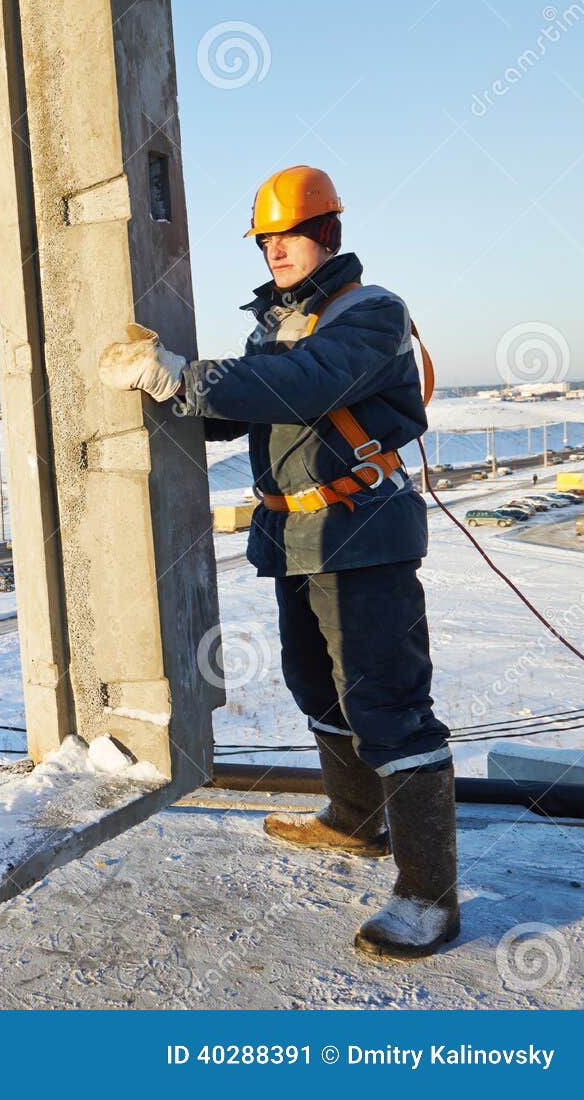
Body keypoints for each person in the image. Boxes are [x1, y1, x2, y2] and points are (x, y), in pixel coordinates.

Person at [97, 165, 458, 960]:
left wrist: (188, 378)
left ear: (328, 231)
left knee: (388, 703)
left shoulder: (370, 314)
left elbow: (305, 384)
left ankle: (429, 896)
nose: (273, 250)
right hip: (296, 533)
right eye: (264, 239)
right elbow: (260, 406)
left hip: (362, 531)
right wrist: (168, 395)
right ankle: (354, 822)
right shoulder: (279, 325)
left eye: (287, 233)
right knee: (314, 683)